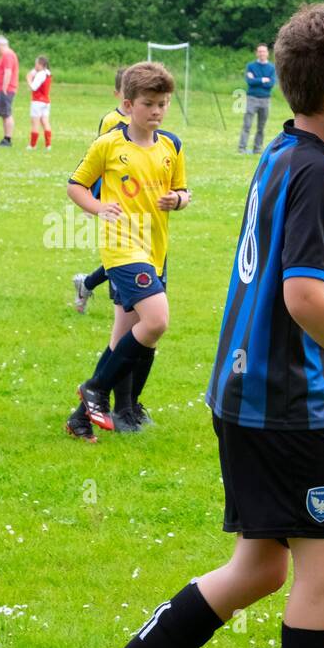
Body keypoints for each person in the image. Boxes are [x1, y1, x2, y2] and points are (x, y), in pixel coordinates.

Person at [59, 3, 324, 648]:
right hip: (285, 400)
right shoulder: (317, 166)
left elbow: (292, 247)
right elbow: (302, 295)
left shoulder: (288, 153)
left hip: (243, 391)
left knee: (257, 568)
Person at [63, 62, 190, 439]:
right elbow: (76, 186)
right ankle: (97, 391)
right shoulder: (109, 144)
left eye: (163, 104)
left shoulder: (172, 146)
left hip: (155, 249)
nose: (157, 111)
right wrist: (99, 207)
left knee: (127, 335)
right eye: (149, 103)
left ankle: (85, 416)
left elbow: (184, 190)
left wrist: (178, 200)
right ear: (128, 102)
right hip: (121, 248)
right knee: (156, 320)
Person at [72, 68, 131, 315]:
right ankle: (121, 303)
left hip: (139, 198)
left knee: (131, 253)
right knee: (124, 254)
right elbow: (100, 163)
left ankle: (85, 284)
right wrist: (92, 201)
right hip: (114, 200)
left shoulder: (149, 118)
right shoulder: (111, 121)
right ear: (118, 93)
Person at [238, 43, 276, 155]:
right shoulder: (250, 66)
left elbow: (271, 84)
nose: (261, 54)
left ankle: (257, 148)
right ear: (256, 53)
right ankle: (242, 148)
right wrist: (263, 80)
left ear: (267, 53)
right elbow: (250, 82)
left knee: (261, 126)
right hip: (252, 98)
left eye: (263, 51)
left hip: (265, 100)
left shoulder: (272, 68)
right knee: (247, 125)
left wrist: (256, 79)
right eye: (259, 51)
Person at [0, 35, 19, 146]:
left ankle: (8, 139)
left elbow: (8, 72)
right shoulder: (2, 56)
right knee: (3, 113)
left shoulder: (8, 55)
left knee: (7, 113)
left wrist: (4, 88)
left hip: (6, 89)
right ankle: (5, 138)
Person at [27, 55, 53, 150]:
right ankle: (48, 145)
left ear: (40, 64)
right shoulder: (48, 73)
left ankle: (32, 145)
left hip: (37, 101)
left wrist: (29, 79)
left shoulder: (40, 74)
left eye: (36, 64)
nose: (35, 66)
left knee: (35, 123)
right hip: (46, 101)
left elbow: (33, 87)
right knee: (45, 122)